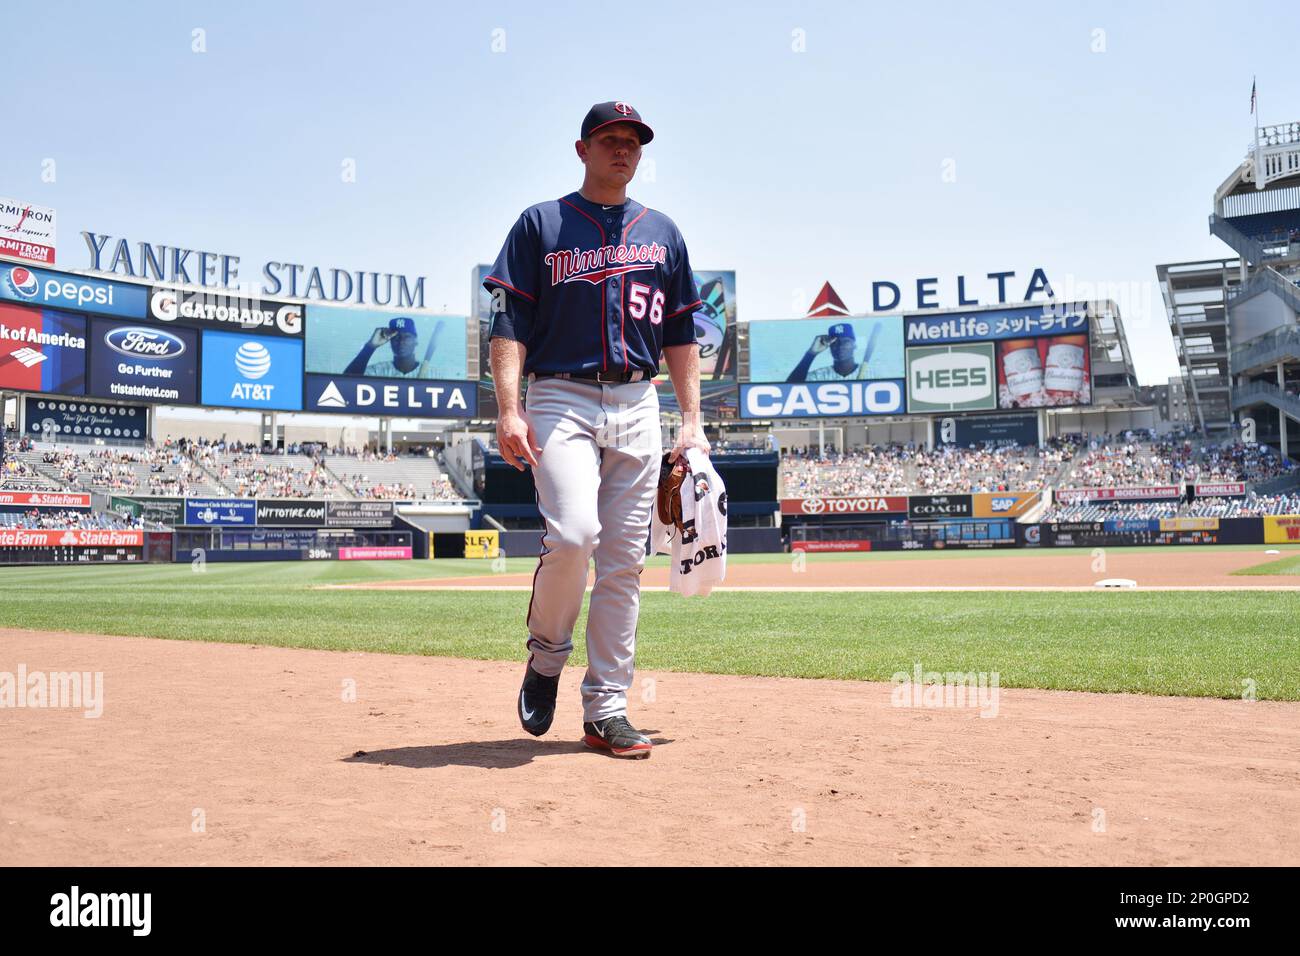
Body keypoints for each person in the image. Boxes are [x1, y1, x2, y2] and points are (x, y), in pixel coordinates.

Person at [484, 101, 709, 759]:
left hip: (640, 401)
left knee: (623, 563)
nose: (623, 149)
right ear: (581, 149)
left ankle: (606, 708)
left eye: (633, 141)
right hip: (559, 394)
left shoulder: (662, 231)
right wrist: (508, 407)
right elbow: (509, 324)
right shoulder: (542, 224)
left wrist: (691, 421)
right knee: (576, 534)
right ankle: (547, 656)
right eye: (610, 139)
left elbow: (680, 332)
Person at [344, 316, 442, 378]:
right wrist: (370, 346)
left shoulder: (433, 375)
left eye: (407, 337)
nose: (401, 341)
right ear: (390, 341)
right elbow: (346, 385)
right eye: (396, 337)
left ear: (415, 341)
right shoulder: (377, 372)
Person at [787, 322, 861, 381]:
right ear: (830, 347)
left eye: (845, 342)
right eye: (835, 342)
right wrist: (811, 354)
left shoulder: (871, 373)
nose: (840, 345)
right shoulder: (818, 376)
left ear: (855, 346)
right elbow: (789, 389)